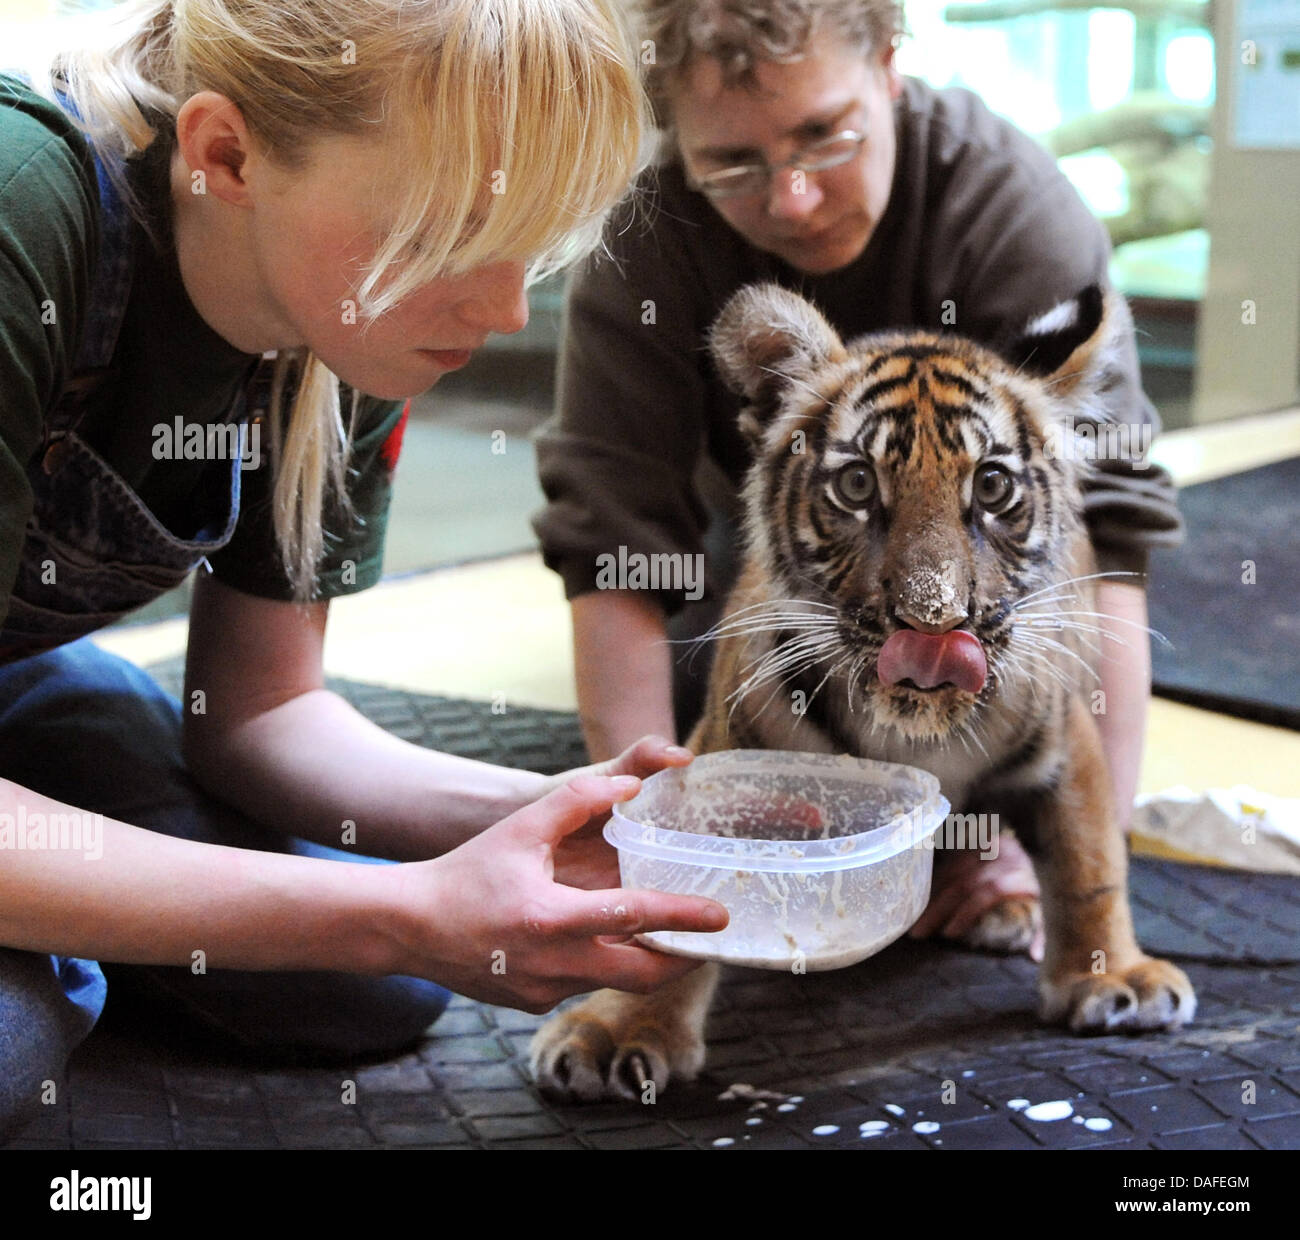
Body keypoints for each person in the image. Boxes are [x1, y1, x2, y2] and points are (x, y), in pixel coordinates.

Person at [0, 0, 730, 1142]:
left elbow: (262, 713)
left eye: (531, 243)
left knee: (363, 990)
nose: (499, 310)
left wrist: (564, 812)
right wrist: (402, 908)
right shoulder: (22, 210)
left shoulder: (350, 323)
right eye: (449, 238)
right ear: (224, 153)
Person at [532, 0, 1185, 951]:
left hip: (989, 559)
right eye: (733, 164)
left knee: (1046, 543)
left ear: (889, 64)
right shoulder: (647, 241)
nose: (790, 197)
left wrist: (1080, 857)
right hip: (777, 543)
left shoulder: (1009, 207)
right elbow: (613, 544)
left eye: (823, 136)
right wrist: (658, 858)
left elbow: (1113, 527)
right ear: (677, 135)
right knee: (722, 708)